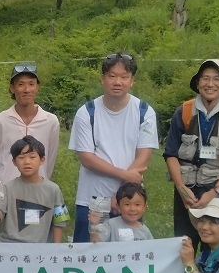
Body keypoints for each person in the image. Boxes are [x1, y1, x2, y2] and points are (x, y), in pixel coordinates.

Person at [68, 52, 159, 242]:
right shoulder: (87, 112)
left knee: (129, 256)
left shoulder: (144, 112)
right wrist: (125, 176)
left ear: (132, 81)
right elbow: (87, 159)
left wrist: (121, 196)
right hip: (92, 200)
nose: (118, 82)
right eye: (112, 76)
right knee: (87, 254)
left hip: (130, 201)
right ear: (103, 78)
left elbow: (143, 157)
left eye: (124, 77)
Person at [164, 59, 219, 251]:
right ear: (197, 83)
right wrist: (181, 188)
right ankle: (188, 272)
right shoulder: (184, 111)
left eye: (217, 79)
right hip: (186, 191)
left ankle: (213, 272)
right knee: (184, 245)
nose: (210, 84)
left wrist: (214, 193)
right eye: (205, 78)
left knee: (216, 247)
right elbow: (170, 154)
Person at [0, 136, 69, 244]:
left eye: (32, 157)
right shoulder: (8, 188)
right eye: (21, 158)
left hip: (39, 249)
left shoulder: (53, 190)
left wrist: (56, 249)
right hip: (9, 246)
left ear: (42, 160)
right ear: (14, 162)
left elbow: (59, 222)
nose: (27, 162)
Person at [0, 63, 60, 185]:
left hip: (38, 190)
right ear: (12, 88)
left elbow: (49, 162)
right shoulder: (0, 121)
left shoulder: (51, 122)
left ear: (37, 87)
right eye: (21, 84)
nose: (27, 90)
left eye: (31, 84)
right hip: (7, 190)